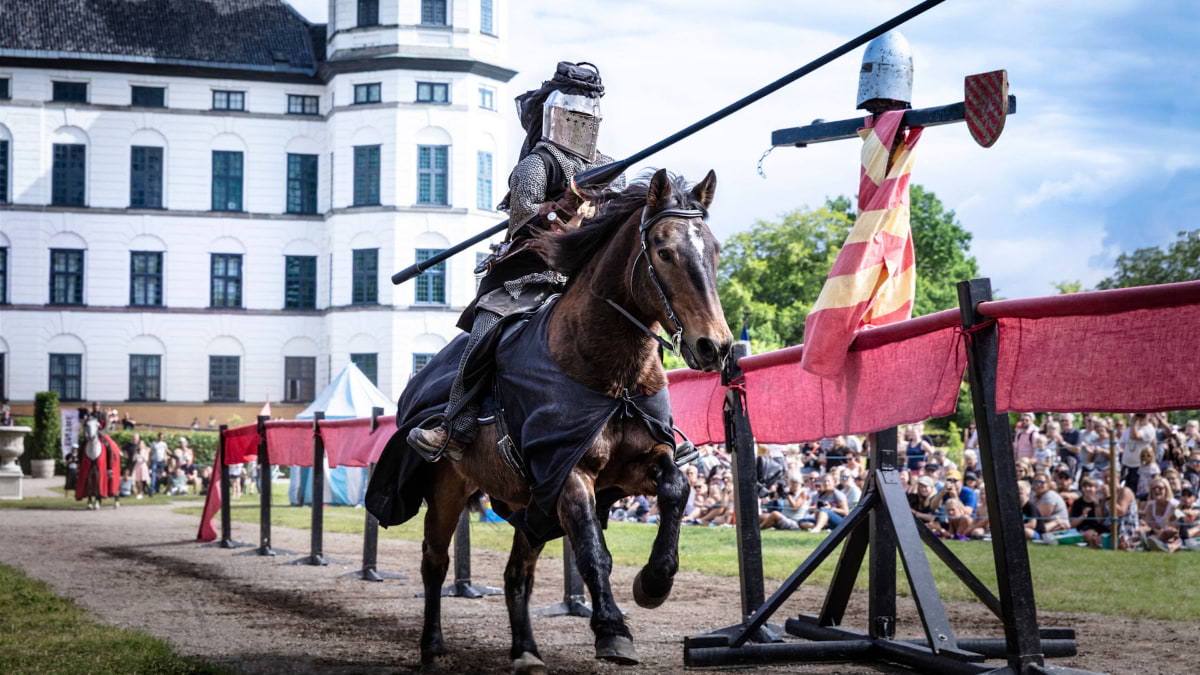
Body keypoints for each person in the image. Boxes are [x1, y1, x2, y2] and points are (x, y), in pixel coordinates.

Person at [409, 61, 619, 460]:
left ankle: (656, 426)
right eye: (572, 108)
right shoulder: (536, 165)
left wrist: (606, 201)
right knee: (484, 333)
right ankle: (457, 425)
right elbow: (525, 217)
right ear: (553, 112)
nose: (580, 116)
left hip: (587, 276)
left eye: (587, 108)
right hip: (531, 275)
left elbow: (618, 217)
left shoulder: (608, 167)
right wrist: (562, 205)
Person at [1140, 477, 1181, 552]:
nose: (1156, 490)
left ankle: (1149, 544)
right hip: (1156, 532)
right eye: (1154, 488)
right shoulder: (1150, 505)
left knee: (1168, 531)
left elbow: (1179, 524)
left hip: (1172, 534)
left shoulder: (1175, 505)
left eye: (1160, 488)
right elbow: (1151, 525)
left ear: (1166, 489)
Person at [1069, 477, 1108, 549]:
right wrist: (1083, 516)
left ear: (1095, 488)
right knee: (1092, 535)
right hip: (1084, 527)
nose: (1087, 489)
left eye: (1090, 486)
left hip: (1099, 527)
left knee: (1104, 536)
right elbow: (1072, 524)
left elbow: (1100, 520)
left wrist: (1097, 505)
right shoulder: (1077, 502)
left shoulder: (1100, 501)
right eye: (1085, 486)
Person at [1030, 472, 1070, 539]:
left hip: (1059, 524)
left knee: (1034, 530)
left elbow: (1040, 516)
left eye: (1042, 482)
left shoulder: (1050, 495)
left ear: (1048, 484)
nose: (1038, 484)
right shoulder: (1034, 496)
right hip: (1045, 524)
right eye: (1036, 482)